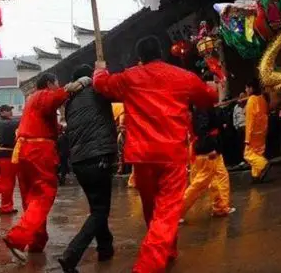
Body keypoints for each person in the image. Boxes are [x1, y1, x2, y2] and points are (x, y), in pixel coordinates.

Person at [93, 38, 218, 273]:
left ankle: (167, 249)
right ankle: (148, 265)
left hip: (142, 156)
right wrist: (213, 86)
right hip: (172, 154)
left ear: (140, 58)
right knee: (167, 211)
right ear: (161, 53)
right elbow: (208, 98)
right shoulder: (183, 76)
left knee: (153, 210)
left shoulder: (130, 77)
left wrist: (100, 70)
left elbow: (103, 85)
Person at [3, 73, 80, 262]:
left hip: (25, 150)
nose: (58, 86)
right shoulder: (43, 95)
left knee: (31, 198)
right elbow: (52, 98)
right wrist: (69, 88)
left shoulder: (32, 101)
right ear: (48, 84)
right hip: (39, 150)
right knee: (44, 194)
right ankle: (18, 237)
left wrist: (59, 128)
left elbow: (44, 120)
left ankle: (36, 242)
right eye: (57, 83)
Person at [58, 65, 118, 273]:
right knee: (100, 210)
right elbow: (112, 89)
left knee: (96, 206)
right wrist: (102, 73)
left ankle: (105, 247)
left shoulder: (70, 102)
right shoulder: (98, 90)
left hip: (79, 161)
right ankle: (71, 254)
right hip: (99, 155)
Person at [181, 104, 235, 222]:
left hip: (211, 148)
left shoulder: (201, 107)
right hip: (207, 150)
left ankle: (220, 207)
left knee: (220, 177)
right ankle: (177, 211)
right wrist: (210, 147)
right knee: (200, 183)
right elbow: (202, 130)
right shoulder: (200, 108)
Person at [243, 80, 271, 182]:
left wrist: (247, 138)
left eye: (246, 88)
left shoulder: (251, 100)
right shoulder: (262, 98)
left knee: (248, 154)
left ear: (251, 88)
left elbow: (250, 120)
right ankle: (256, 175)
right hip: (262, 130)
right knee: (257, 153)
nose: (246, 90)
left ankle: (263, 164)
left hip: (254, 132)